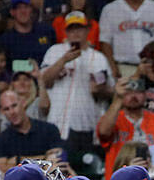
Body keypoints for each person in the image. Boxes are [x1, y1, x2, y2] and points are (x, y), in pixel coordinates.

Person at [40, 10, 111, 153]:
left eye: (79, 28)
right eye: (72, 29)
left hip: (86, 125)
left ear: (87, 30)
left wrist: (100, 87)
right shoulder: (55, 51)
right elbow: (44, 80)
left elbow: (109, 90)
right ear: (66, 31)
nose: (76, 33)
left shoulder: (98, 58)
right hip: (57, 123)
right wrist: (63, 60)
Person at [97, 76, 154, 175]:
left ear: (145, 95)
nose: (133, 96)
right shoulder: (114, 118)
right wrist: (118, 98)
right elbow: (103, 132)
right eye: (128, 92)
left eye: (138, 92)